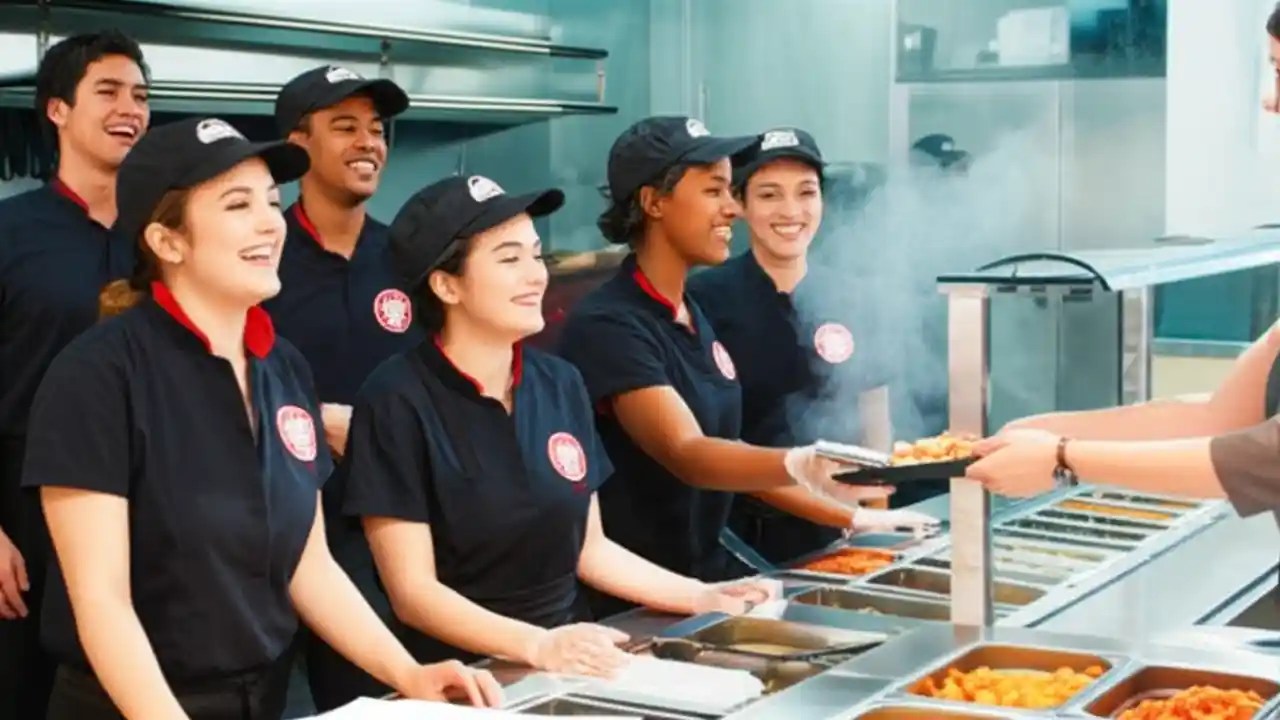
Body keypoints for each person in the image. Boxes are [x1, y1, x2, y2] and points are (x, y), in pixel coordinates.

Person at [20, 117, 501, 720]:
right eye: (237, 204)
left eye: (272, 202)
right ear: (168, 242)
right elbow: (102, 602)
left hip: (263, 698)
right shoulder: (97, 376)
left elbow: (307, 561)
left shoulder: (282, 368)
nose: (270, 223)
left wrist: (407, 673)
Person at [335, 174, 780, 689]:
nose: (535, 276)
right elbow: (414, 593)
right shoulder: (394, 399)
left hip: (574, 656)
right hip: (467, 678)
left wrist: (702, 596)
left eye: (536, 254)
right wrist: (535, 644)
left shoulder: (559, 382)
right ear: (446, 284)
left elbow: (588, 549)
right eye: (508, 259)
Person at [555, 116, 940, 619]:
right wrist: (800, 461)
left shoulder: (688, 315)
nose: (732, 209)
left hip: (707, 582)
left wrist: (852, 520)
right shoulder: (610, 323)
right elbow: (688, 453)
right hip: (638, 603)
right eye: (716, 190)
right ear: (654, 202)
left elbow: (734, 459)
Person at [689, 127, 937, 565]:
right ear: (740, 205)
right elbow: (708, 443)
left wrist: (874, 520)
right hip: (740, 540)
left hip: (842, 531)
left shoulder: (854, 296)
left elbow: (873, 415)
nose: (791, 211)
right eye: (769, 195)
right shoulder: (705, 301)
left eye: (806, 193)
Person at [262, 63, 422, 713]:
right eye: (345, 127)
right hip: (280, 524)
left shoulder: (410, 257)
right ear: (298, 145)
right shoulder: (261, 252)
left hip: (391, 529)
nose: (369, 142)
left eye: (377, 130)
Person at [0, 31, 149, 720]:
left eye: (141, 96)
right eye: (109, 91)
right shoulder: (12, 232)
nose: (131, 108)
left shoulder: (165, 238)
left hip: (149, 510)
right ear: (57, 110)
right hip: (23, 519)